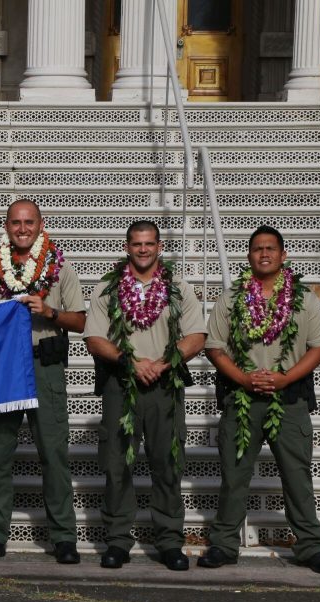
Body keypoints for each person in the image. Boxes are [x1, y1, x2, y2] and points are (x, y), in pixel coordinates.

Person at [198, 226, 320, 574]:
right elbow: (214, 347)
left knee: (297, 476)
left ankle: (310, 546)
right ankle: (224, 544)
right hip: (242, 398)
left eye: (270, 248)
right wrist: (244, 378)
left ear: (282, 254)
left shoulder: (304, 299)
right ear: (249, 256)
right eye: (257, 248)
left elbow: (319, 346)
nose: (264, 254)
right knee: (234, 476)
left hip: (289, 399)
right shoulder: (231, 299)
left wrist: (286, 377)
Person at [83, 220, 205, 571]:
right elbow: (94, 338)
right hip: (122, 385)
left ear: (159, 247)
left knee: (167, 463)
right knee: (117, 463)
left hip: (165, 386)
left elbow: (196, 335)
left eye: (149, 243)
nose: (143, 249)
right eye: (136, 244)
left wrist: (164, 363)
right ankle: (118, 540)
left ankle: (168, 540)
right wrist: (130, 362)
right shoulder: (108, 290)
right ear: (127, 247)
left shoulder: (179, 288)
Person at [0, 199, 86, 564]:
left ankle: (64, 537)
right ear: (6, 226)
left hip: (45, 365)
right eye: (15, 222)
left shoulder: (60, 267)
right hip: (4, 369)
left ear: (41, 224)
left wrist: (50, 311)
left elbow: (82, 321)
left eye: (29, 222)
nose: (22, 229)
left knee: (53, 454)